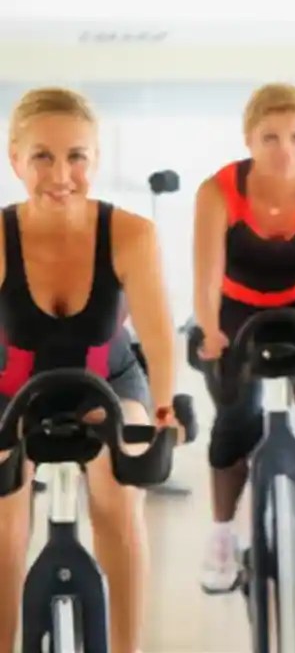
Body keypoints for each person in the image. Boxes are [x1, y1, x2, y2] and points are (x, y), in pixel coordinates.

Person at [0, 87, 180, 652]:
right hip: (10, 393)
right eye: (42, 157)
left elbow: (158, 337)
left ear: (96, 159)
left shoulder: (131, 234)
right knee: (4, 513)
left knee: (119, 489)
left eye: (77, 156)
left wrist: (164, 412)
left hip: (108, 385)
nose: (62, 174)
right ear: (15, 160)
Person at [192, 82, 295, 593]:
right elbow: (205, 277)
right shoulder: (217, 191)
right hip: (238, 307)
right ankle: (221, 534)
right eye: (270, 138)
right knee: (235, 411)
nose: (285, 150)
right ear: (248, 141)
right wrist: (212, 332)